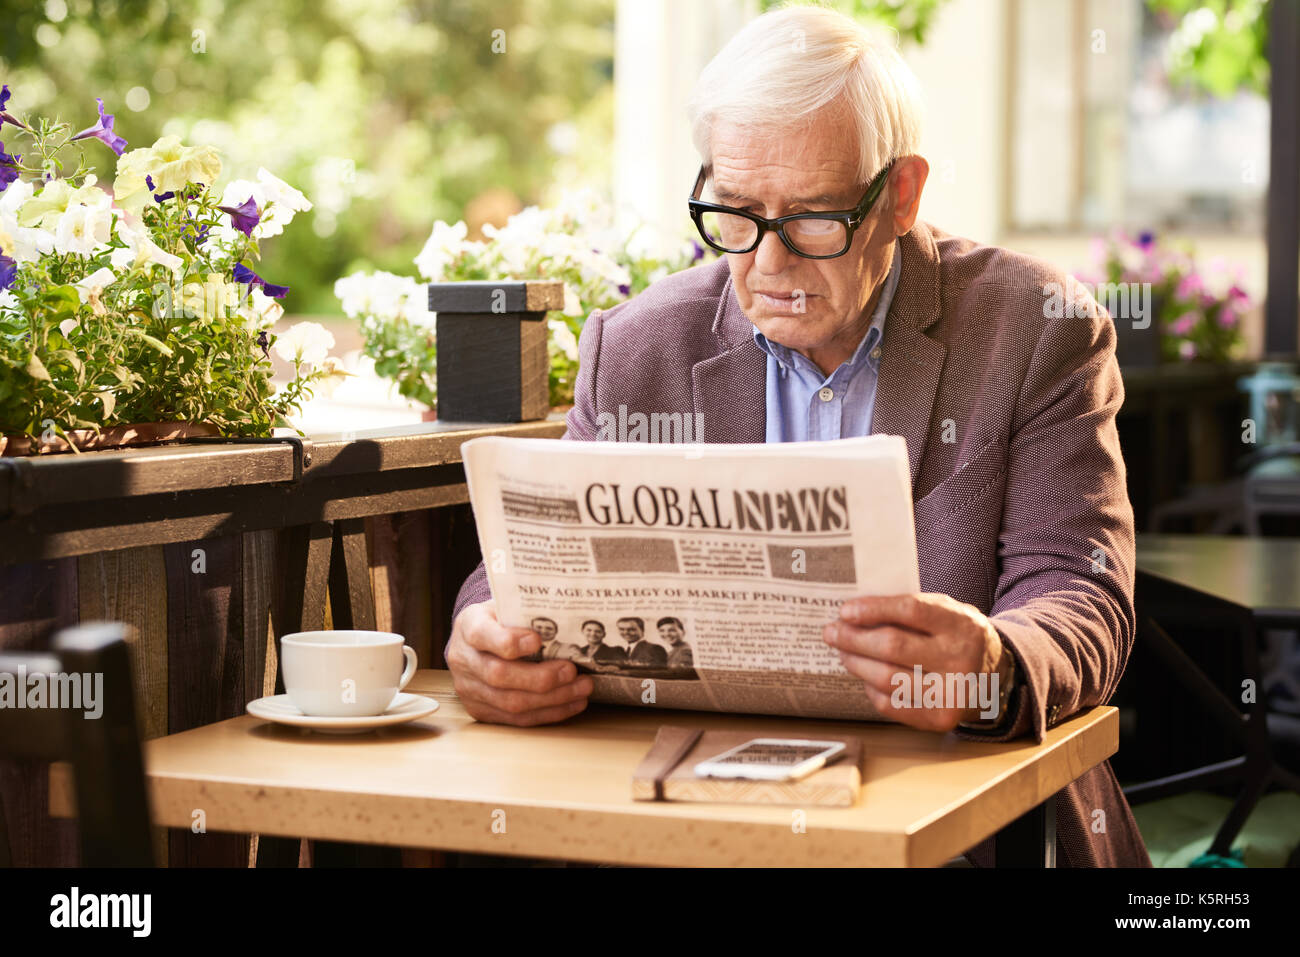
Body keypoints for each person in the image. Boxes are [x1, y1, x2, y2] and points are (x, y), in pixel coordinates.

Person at [447, 5, 1147, 866]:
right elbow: (525, 563)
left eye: (813, 218)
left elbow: (1083, 593)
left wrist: (994, 665)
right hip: (689, 824)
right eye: (735, 214)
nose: (768, 266)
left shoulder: (1035, 329)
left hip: (958, 825)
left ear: (900, 194)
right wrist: (485, 634)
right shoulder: (636, 346)